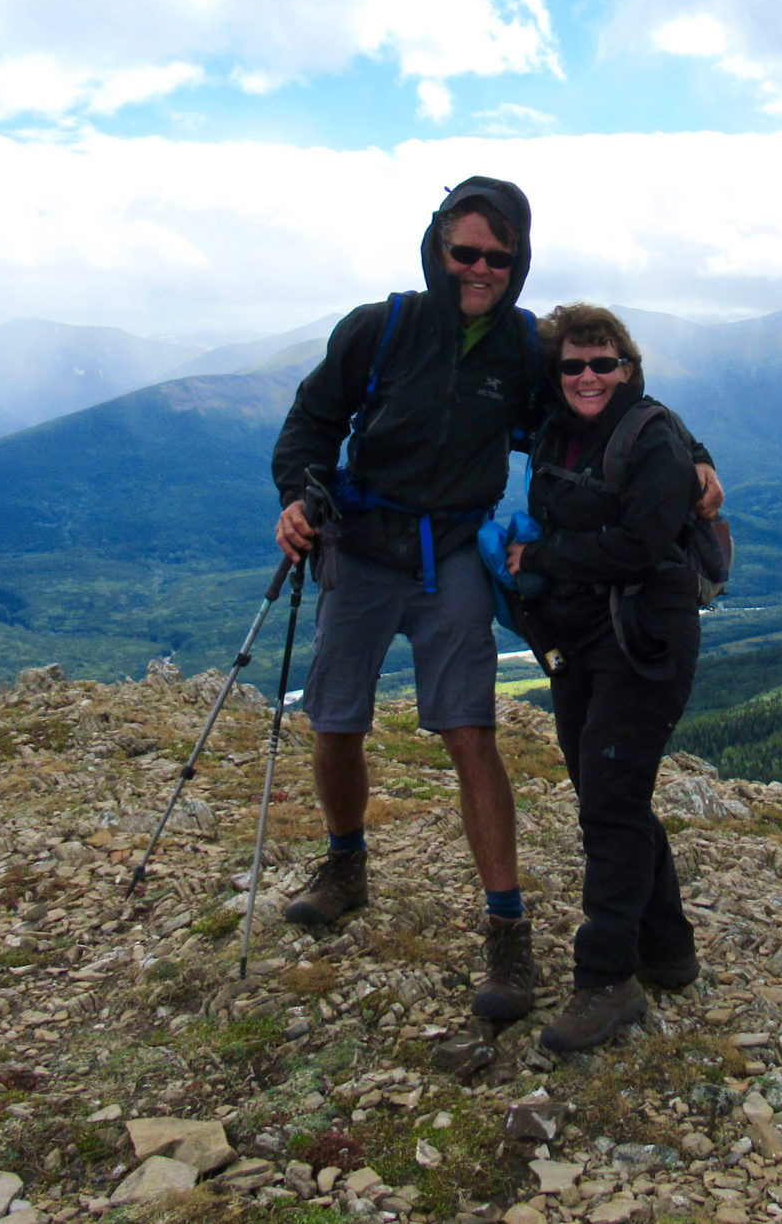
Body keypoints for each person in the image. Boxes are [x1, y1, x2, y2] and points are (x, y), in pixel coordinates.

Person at [270, 180, 720, 1025]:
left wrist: (690, 451)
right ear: (437, 246)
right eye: (465, 251)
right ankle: (345, 863)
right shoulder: (381, 329)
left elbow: (604, 394)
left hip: (451, 552)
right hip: (362, 547)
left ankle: (506, 930)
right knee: (336, 721)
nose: (479, 268)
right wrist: (299, 495)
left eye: (498, 257)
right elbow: (313, 421)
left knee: (470, 731)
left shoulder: (522, 347)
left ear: (518, 264)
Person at [506, 303, 705, 1054]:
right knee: (605, 790)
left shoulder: (652, 436)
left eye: (604, 362)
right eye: (573, 364)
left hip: (645, 636)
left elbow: (640, 542)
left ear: (628, 366)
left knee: (611, 801)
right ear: (555, 374)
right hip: (578, 637)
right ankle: (669, 950)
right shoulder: (554, 426)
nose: (588, 376)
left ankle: (606, 980)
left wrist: (543, 559)